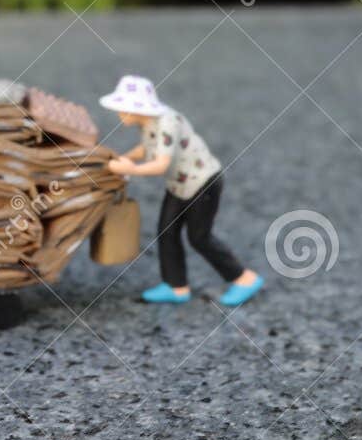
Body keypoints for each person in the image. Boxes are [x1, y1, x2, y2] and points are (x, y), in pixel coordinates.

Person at [100, 75, 264, 307]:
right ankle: (176, 286)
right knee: (166, 232)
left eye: (123, 109)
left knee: (199, 237)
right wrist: (126, 157)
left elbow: (160, 164)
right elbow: (147, 147)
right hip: (179, 185)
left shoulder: (167, 123)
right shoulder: (148, 123)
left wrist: (130, 169)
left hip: (202, 183)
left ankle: (245, 278)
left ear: (136, 108)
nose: (119, 114)